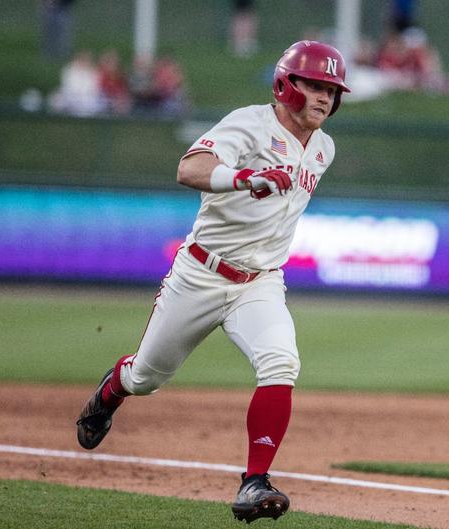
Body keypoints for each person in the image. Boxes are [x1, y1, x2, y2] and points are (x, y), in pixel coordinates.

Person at [75, 40, 351, 523]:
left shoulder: (324, 148)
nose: (325, 97)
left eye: (332, 89)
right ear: (287, 85)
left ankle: (254, 482)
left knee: (281, 362)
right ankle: (110, 392)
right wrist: (244, 177)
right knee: (146, 377)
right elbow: (189, 168)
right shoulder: (249, 123)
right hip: (201, 273)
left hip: (260, 282)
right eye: (314, 85)